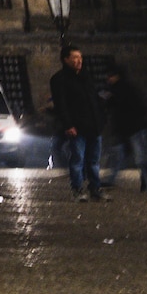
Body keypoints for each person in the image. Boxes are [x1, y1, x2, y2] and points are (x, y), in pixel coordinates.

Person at [50, 48, 105, 202]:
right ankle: (77, 189)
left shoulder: (86, 76)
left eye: (80, 57)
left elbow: (94, 99)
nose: (79, 60)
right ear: (66, 59)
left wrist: (101, 119)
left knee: (93, 160)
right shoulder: (59, 79)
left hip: (93, 125)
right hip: (77, 126)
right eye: (75, 57)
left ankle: (95, 188)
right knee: (77, 160)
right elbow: (61, 104)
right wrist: (68, 125)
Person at [100, 68, 147, 192]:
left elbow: (132, 108)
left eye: (110, 76)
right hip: (127, 129)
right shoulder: (117, 90)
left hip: (134, 128)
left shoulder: (124, 89)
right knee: (125, 156)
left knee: (141, 157)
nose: (108, 79)